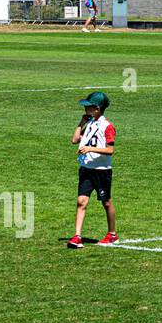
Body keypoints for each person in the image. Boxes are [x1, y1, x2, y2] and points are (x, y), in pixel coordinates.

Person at [67, 91, 117, 248]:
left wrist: (90, 149)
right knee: (81, 201)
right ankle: (77, 236)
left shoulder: (107, 127)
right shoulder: (89, 123)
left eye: (88, 107)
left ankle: (112, 234)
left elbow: (110, 150)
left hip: (101, 171)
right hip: (86, 170)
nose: (85, 110)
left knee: (106, 202)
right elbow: (74, 140)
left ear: (97, 108)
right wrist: (80, 123)